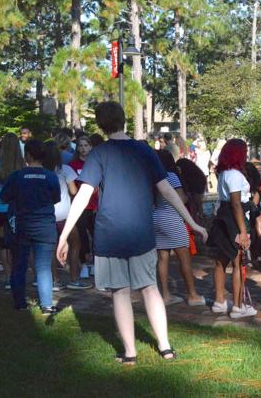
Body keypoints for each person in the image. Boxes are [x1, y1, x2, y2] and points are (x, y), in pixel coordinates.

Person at [56, 102, 206, 364]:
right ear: (124, 120)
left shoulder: (99, 153)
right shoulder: (144, 150)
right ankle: (166, 347)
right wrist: (191, 222)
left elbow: (83, 196)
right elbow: (167, 190)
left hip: (109, 232)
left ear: (101, 125)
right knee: (150, 288)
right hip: (141, 232)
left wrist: (64, 234)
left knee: (120, 292)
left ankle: (130, 353)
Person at [0, 139, 61, 314]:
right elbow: (56, 198)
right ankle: (47, 304)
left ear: (27, 155)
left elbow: (4, 196)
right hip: (45, 226)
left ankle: (19, 303)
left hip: (22, 226)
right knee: (43, 267)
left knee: (19, 265)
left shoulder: (17, 176)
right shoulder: (51, 176)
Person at [207, 138, 257, 318]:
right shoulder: (235, 175)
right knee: (237, 263)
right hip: (234, 219)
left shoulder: (224, 173)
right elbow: (236, 204)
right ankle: (237, 306)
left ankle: (219, 301)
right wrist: (243, 231)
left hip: (223, 217)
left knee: (221, 261)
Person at [153, 150, 207, 306]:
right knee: (184, 258)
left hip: (156, 218)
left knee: (162, 258)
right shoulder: (172, 176)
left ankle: (165, 295)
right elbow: (180, 199)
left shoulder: (153, 176)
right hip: (172, 219)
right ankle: (192, 295)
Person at [42, 140, 90, 290]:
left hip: (47, 215)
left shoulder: (41, 171)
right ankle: (74, 278)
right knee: (75, 244)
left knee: (51, 247)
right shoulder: (65, 170)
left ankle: (54, 279)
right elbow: (74, 191)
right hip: (64, 214)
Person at [0, 133, 25, 278]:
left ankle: (8, 276)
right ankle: (17, 274)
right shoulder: (22, 164)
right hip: (17, 208)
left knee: (3, 242)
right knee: (17, 241)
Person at [69, 136, 99, 277]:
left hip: (96, 206)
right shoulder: (72, 165)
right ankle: (84, 264)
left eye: (86, 145)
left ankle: (95, 263)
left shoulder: (96, 164)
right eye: (80, 145)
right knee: (82, 236)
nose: (83, 148)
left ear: (91, 147)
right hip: (80, 206)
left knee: (96, 236)